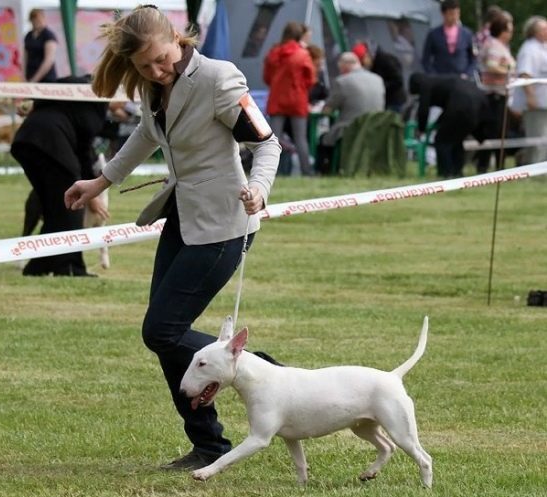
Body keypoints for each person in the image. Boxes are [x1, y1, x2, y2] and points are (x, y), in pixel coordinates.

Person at [63, 5, 280, 470]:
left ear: (177, 38)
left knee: (160, 330)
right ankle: (209, 444)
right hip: (182, 220)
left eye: (162, 59)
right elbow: (146, 133)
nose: (157, 71)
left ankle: (259, 368)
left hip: (225, 224)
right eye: (145, 67)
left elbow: (267, 143)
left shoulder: (219, 78)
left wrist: (260, 189)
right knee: (166, 335)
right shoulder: (150, 87)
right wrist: (100, 182)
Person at [11, 75, 110, 277]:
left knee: (55, 210)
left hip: (26, 141)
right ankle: (69, 267)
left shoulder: (80, 84)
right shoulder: (97, 103)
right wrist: (89, 191)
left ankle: (38, 266)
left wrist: (34, 103)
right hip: (49, 145)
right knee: (71, 205)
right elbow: (83, 152)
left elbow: (52, 86)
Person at [409, 73, 490, 178]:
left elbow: (423, 110)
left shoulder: (425, 84)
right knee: (456, 140)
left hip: (461, 105)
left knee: (442, 140)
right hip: (480, 103)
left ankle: (446, 173)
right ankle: (457, 172)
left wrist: (421, 129)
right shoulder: (442, 81)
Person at [315, 52, 385, 174]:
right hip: (377, 127)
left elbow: (327, 109)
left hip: (351, 128)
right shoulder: (378, 79)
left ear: (345, 66)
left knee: (323, 140)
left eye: (340, 68)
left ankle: (328, 171)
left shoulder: (342, 82)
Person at [263, 22, 316, 176]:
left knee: (273, 140)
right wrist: (299, 87)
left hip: (277, 99)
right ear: (300, 35)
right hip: (297, 100)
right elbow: (311, 79)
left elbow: (267, 78)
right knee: (300, 139)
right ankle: (307, 172)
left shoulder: (273, 53)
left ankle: (270, 173)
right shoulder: (303, 54)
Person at [476, 11, 516, 173]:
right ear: (502, 30)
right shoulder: (493, 45)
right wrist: (509, 72)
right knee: (493, 132)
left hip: (501, 94)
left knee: (499, 132)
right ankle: (487, 167)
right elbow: (492, 65)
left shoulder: (501, 46)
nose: (511, 33)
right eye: (510, 29)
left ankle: (498, 167)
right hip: (493, 96)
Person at [512, 16, 547, 164]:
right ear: (535, 32)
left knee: (543, 139)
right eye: (544, 28)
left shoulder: (543, 47)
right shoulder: (529, 49)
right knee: (536, 139)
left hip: (544, 103)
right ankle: (532, 169)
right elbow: (525, 74)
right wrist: (530, 97)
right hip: (535, 103)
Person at [421, 0, 476, 79]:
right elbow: (425, 60)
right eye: (451, 14)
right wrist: (433, 75)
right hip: (441, 79)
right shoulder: (433, 34)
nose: (454, 17)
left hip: (462, 79)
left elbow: (474, 58)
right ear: (443, 14)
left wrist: (467, 73)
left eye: (457, 13)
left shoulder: (467, 34)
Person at [353, 42, 407, 114]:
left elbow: (398, 80)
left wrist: (380, 87)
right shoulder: (373, 65)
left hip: (394, 101)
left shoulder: (386, 60)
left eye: (363, 62)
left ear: (367, 55)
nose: (363, 65)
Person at [24, 9, 59, 83]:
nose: (37, 22)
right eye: (34, 19)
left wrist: (35, 79)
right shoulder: (28, 35)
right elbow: (25, 57)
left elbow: (49, 60)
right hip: (30, 75)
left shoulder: (48, 35)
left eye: (39, 19)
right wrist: (24, 75)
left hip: (46, 78)